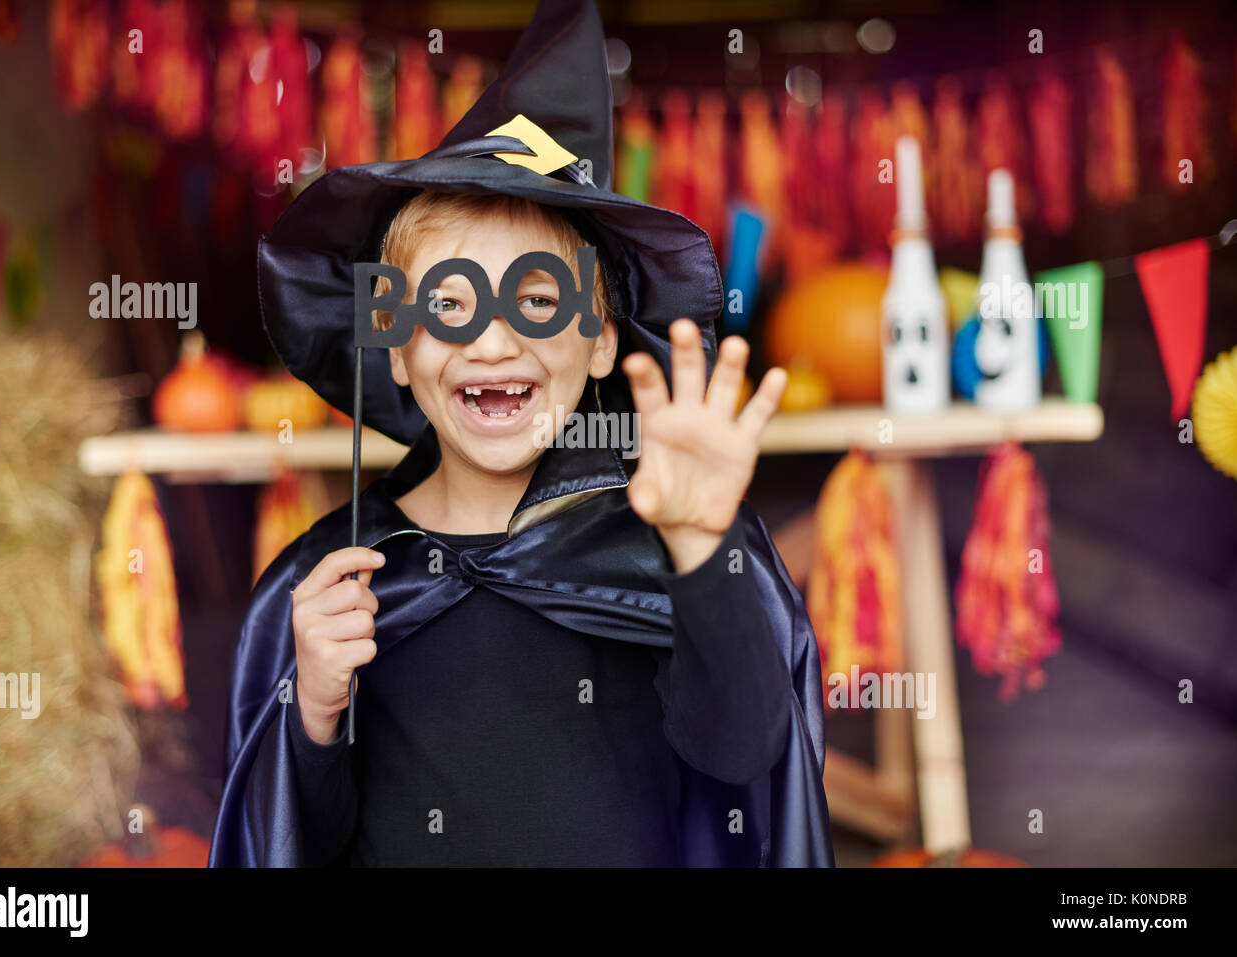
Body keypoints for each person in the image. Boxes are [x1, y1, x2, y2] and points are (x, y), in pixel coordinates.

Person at [209, 0, 833, 867]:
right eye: (448, 305)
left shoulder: (663, 547)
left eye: (539, 301)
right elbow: (291, 842)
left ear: (602, 337)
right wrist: (312, 709)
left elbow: (744, 758)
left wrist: (701, 551)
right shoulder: (336, 584)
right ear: (392, 341)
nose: (492, 340)